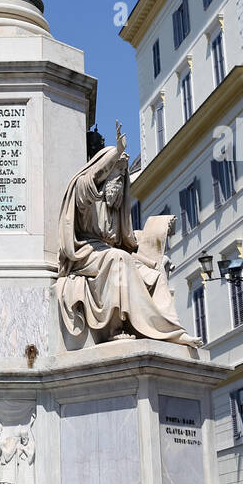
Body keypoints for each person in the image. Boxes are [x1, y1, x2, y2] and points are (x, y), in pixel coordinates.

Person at [56, 128, 200, 347]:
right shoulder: (88, 197)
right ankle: (116, 328)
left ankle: (172, 331)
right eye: (116, 174)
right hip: (86, 253)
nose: (120, 181)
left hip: (107, 253)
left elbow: (128, 240)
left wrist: (155, 233)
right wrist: (115, 155)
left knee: (155, 273)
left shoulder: (117, 209)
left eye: (123, 176)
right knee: (118, 259)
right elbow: (89, 181)